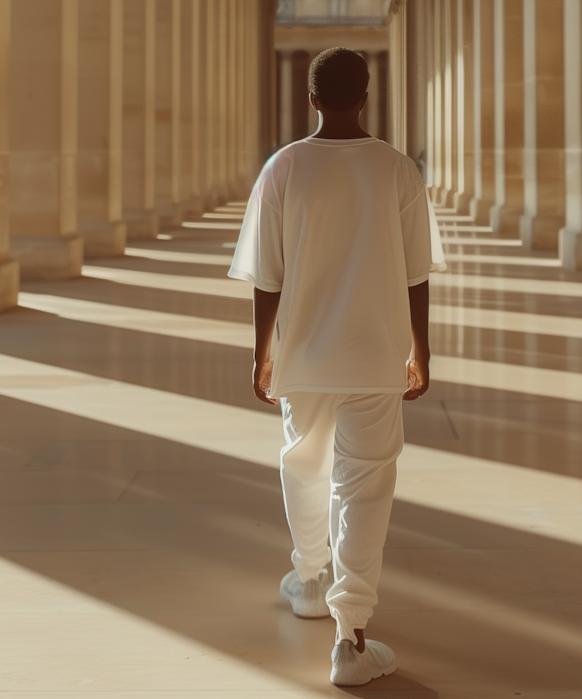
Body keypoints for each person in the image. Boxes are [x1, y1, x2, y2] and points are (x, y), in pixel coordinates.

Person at [228, 46, 444, 687]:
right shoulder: (398, 170)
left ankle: (307, 577)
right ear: (367, 96)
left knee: (303, 465)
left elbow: (267, 277)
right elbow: (417, 275)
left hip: (305, 351)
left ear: (312, 98)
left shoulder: (283, 168)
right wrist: (420, 349)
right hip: (374, 354)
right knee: (365, 489)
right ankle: (351, 637)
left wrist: (262, 352)